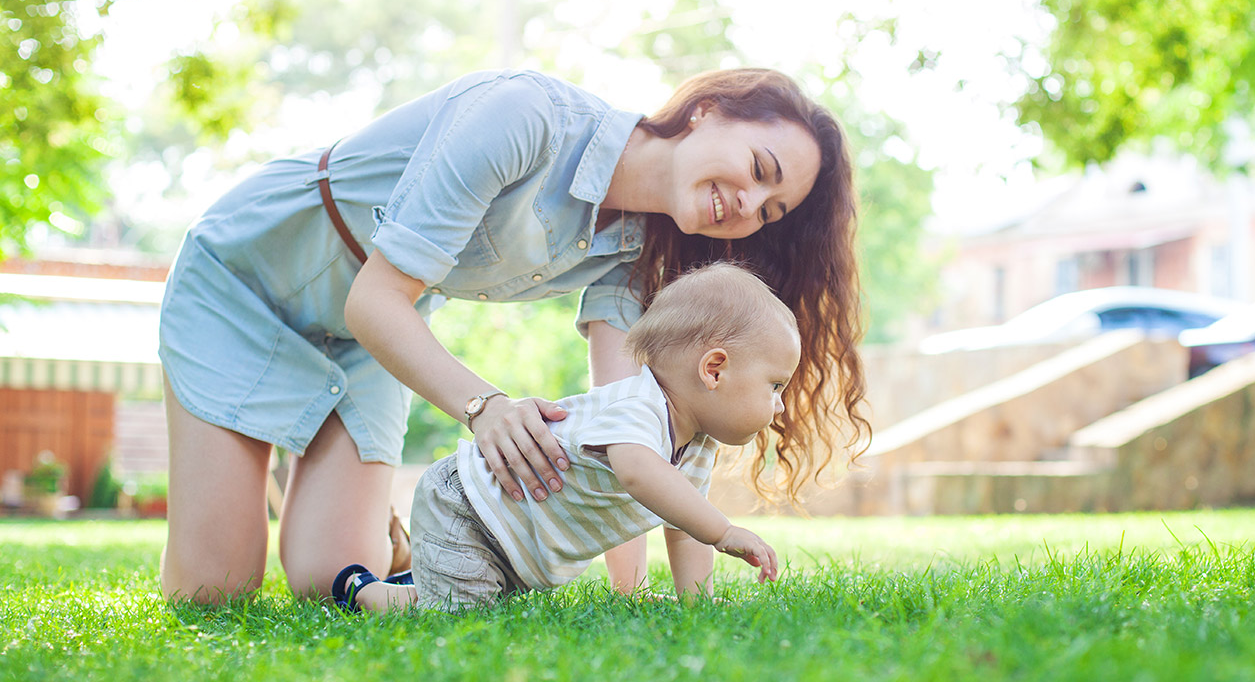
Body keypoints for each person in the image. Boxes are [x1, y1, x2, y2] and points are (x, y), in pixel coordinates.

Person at [157, 65, 867, 604]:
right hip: (244, 284)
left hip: (361, 344)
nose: (745, 206)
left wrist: (636, 595)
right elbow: (376, 300)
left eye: (768, 211)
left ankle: (391, 530)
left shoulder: (634, 252)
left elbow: (628, 422)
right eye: (757, 169)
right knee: (213, 590)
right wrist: (485, 407)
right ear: (708, 111)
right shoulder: (526, 117)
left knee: (323, 579)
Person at [333, 262, 790, 613]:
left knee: (472, 606)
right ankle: (366, 595)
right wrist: (723, 530)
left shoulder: (698, 447)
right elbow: (637, 471)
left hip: (517, 545)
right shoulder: (638, 407)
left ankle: (407, 586)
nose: (780, 405)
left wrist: (699, 605)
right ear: (714, 369)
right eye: (775, 386)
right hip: (467, 509)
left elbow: (685, 527)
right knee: (459, 620)